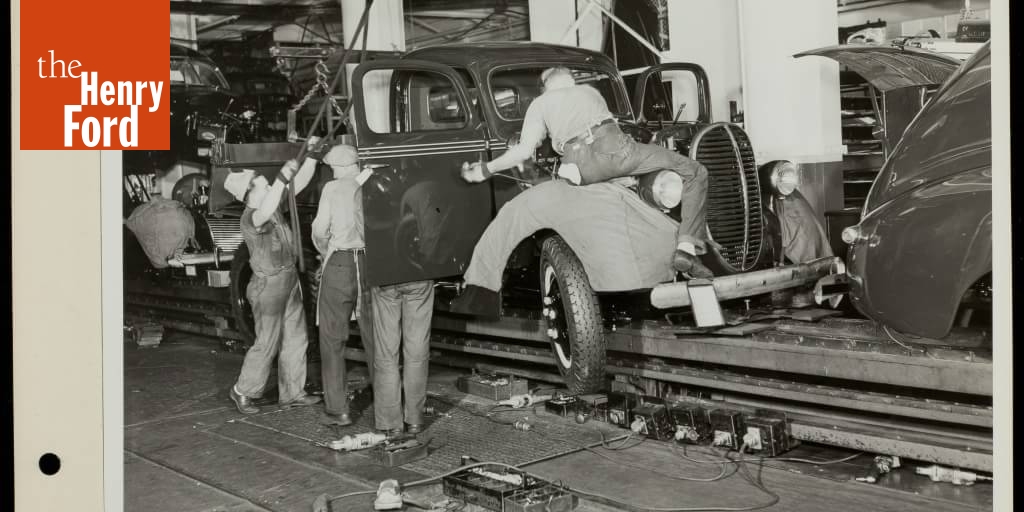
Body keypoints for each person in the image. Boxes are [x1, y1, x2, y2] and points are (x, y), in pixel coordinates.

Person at [452, 67, 712, 313]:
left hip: (578, 163)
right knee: (695, 172)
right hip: (618, 151)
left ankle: (576, 179)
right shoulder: (590, 92)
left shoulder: (540, 104)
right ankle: (686, 248)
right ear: (571, 82)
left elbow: (521, 152)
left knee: (591, 190)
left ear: (545, 87)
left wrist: (485, 170)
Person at [224, 139, 322, 414]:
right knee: (266, 343)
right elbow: (268, 205)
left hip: (288, 282)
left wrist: (312, 156)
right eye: (261, 183)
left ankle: (293, 392)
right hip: (268, 287)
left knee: (296, 338)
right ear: (249, 194)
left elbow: (297, 185)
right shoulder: (252, 216)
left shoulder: (273, 207)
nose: (266, 183)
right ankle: (242, 391)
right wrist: (281, 176)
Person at [310, 144, 375, 427]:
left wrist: (326, 252)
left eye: (334, 168)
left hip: (339, 265)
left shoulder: (332, 189)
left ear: (341, 168)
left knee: (333, 339)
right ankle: (385, 401)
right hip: (369, 265)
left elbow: (319, 230)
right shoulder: (371, 184)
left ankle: (339, 410)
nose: (333, 172)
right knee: (375, 337)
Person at [371, 278, 435, 437]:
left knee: (386, 352)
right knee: (417, 350)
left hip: (386, 274)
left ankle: (390, 423)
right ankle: (414, 420)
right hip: (419, 275)